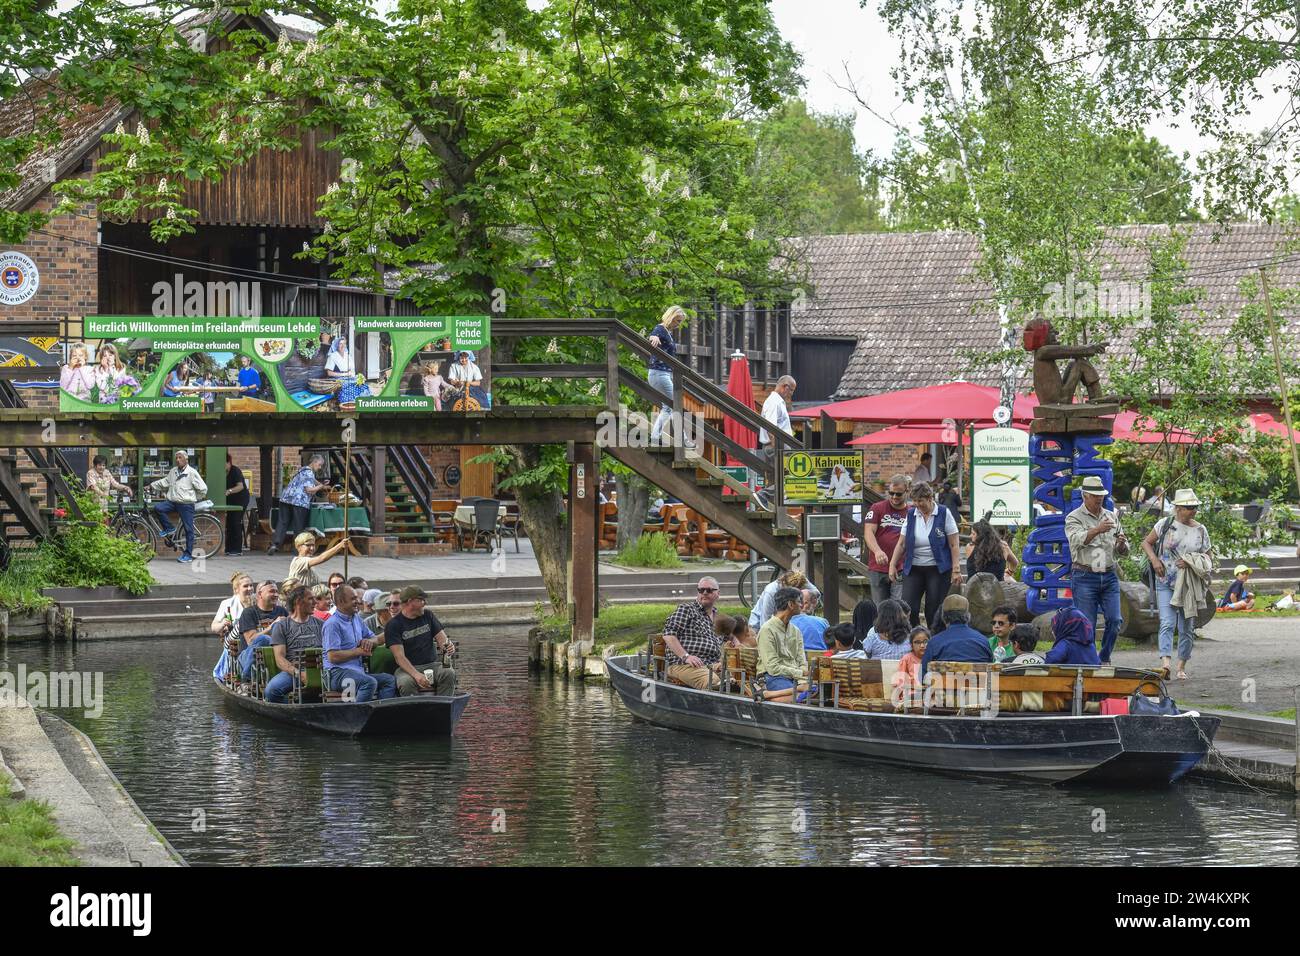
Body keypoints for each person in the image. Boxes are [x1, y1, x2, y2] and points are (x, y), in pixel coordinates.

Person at [1141, 488, 1212, 679]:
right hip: (1165, 580)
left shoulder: (1200, 530)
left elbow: (1208, 557)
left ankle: (1181, 666)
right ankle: (1165, 664)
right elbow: (1146, 543)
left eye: (1195, 507)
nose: (1193, 510)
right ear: (1178, 508)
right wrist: (1155, 560)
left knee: (1187, 627)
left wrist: (1191, 561)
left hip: (1189, 584)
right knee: (1167, 622)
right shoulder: (1165, 524)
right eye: (1189, 507)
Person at [1065, 475, 1129, 664]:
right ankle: (1089, 660)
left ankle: (1104, 657)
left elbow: (1123, 551)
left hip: (1109, 575)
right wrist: (1097, 530)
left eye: (1100, 494)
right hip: (1084, 575)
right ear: (1085, 496)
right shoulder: (1073, 517)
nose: (1099, 498)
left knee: (1115, 620)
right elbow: (1076, 541)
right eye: (1094, 495)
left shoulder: (1111, 516)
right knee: (1087, 625)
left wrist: (1122, 544)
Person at [888, 482, 961, 630]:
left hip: (938, 569)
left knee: (933, 609)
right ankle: (915, 636)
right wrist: (892, 564)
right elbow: (901, 543)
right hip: (914, 567)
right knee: (909, 606)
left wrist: (956, 568)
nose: (917, 504)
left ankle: (934, 638)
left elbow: (954, 544)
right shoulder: (911, 514)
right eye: (914, 501)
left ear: (929, 498)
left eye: (920, 500)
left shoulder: (943, 513)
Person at [321, 585, 397, 703]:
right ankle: (355, 717)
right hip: (336, 674)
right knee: (369, 683)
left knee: (389, 680)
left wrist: (369, 642)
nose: (358, 601)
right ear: (341, 601)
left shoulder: (355, 618)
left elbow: (374, 638)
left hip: (357, 672)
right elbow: (333, 656)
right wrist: (358, 651)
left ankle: (381, 715)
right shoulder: (332, 624)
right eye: (353, 599)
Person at [384, 586, 458, 696]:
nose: (425, 603)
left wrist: (448, 646)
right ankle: (414, 711)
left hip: (432, 665)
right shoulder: (393, 625)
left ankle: (442, 707)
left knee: (448, 673)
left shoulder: (428, 615)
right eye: (421, 600)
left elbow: (443, 640)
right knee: (406, 683)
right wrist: (416, 675)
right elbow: (399, 657)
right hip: (406, 669)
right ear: (410, 602)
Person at [263, 586, 324, 703]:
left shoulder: (321, 624)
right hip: (294, 672)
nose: (315, 602)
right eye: (311, 599)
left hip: (320, 670)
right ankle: (292, 708)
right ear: (298, 602)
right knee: (271, 691)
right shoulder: (282, 626)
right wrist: (299, 674)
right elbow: (280, 658)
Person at [661, 575, 723, 688]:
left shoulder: (718, 618)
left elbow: (731, 636)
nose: (704, 593)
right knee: (713, 682)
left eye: (708, 590)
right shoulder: (687, 609)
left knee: (739, 677)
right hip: (683, 665)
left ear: (718, 593)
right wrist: (686, 656)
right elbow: (668, 634)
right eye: (701, 590)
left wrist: (735, 640)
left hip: (711, 664)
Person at [148, 450, 207, 563]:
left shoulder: (192, 472)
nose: (178, 460)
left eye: (180, 458)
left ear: (186, 459)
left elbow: (203, 489)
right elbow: (165, 482)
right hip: (173, 502)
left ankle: (188, 555)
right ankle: (169, 528)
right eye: (177, 458)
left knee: (188, 529)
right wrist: (151, 485)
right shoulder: (173, 471)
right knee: (158, 508)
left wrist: (193, 498)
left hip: (186, 504)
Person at [919, 594, 993, 679]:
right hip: (979, 691)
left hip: (944, 691)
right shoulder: (983, 641)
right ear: (968, 616)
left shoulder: (934, 642)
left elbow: (922, 677)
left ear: (943, 617)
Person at [268, 454, 329, 555]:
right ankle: (297, 550)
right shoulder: (309, 473)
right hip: (299, 501)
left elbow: (311, 480)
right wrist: (321, 486)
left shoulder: (302, 470)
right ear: (314, 462)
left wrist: (321, 484)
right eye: (319, 465)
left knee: (282, 523)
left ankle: (275, 544)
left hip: (286, 499)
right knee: (298, 526)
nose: (320, 467)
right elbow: (309, 490)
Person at [755, 586, 807, 702]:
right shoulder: (767, 630)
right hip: (772, 676)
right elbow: (773, 668)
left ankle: (768, 695)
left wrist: (803, 678)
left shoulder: (796, 631)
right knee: (801, 697)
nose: (802, 605)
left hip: (795, 677)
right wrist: (801, 673)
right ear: (790, 604)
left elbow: (802, 661)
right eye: (799, 601)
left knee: (820, 693)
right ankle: (794, 691)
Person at [863, 476, 909, 603]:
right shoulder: (877, 508)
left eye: (898, 494)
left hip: (901, 567)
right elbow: (868, 533)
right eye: (891, 493)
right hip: (878, 567)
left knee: (898, 607)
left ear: (907, 492)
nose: (894, 497)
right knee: (880, 608)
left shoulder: (911, 512)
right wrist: (877, 551)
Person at [646, 304, 687, 445]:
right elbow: (653, 335)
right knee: (675, 404)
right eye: (677, 320)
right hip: (659, 374)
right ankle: (683, 439)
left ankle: (656, 437)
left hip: (663, 374)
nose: (678, 324)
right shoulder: (661, 329)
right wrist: (653, 337)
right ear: (671, 316)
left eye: (680, 321)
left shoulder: (668, 332)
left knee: (668, 407)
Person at [236, 580, 288, 681]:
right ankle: (246, 680)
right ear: (260, 594)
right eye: (272, 591)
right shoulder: (249, 612)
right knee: (264, 639)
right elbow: (250, 640)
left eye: (277, 592)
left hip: (276, 655)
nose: (276, 595)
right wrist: (272, 626)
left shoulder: (282, 611)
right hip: (247, 656)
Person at [211, 572, 256, 681]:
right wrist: (223, 624)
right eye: (246, 586)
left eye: (251, 585)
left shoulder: (258, 601)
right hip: (234, 644)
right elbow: (214, 627)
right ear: (236, 590)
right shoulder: (227, 604)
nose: (250, 588)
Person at [748, 569, 819, 630]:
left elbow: (816, 593)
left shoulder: (800, 579)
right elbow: (765, 621)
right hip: (758, 625)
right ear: (784, 584)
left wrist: (806, 597)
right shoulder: (771, 592)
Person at [891, 626, 930, 703]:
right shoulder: (907, 659)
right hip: (911, 695)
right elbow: (901, 681)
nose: (922, 645)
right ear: (911, 645)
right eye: (917, 642)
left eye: (925, 642)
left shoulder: (932, 659)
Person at [224, 453, 250, 557]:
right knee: (229, 522)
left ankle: (237, 549)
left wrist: (229, 491)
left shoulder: (235, 471)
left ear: (229, 463)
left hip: (240, 500)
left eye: (224, 464)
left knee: (235, 521)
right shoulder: (223, 473)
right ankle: (229, 548)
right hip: (231, 500)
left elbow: (240, 486)